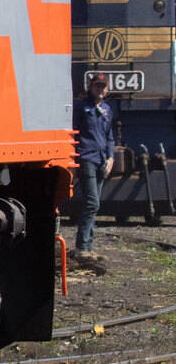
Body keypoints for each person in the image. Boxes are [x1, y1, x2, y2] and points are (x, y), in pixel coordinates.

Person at [72, 72, 116, 266]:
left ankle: (88, 247)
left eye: (103, 87)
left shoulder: (106, 110)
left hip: (101, 160)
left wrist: (111, 157)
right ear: (90, 88)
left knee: (94, 204)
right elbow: (73, 131)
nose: (100, 89)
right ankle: (82, 247)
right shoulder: (81, 107)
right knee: (92, 202)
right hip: (86, 158)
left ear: (107, 89)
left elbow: (109, 136)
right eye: (97, 86)